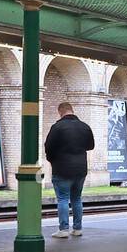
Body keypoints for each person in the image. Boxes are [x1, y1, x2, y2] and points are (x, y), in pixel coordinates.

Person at [43, 102, 94, 239]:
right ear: (72, 110)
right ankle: (77, 228)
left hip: (61, 168)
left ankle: (64, 229)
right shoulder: (85, 126)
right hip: (80, 169)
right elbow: (91, 146)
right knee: (77, 198)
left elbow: (48, 146)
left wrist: (52, 160)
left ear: (60, 112)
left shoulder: (57, 127)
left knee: (63, 199)